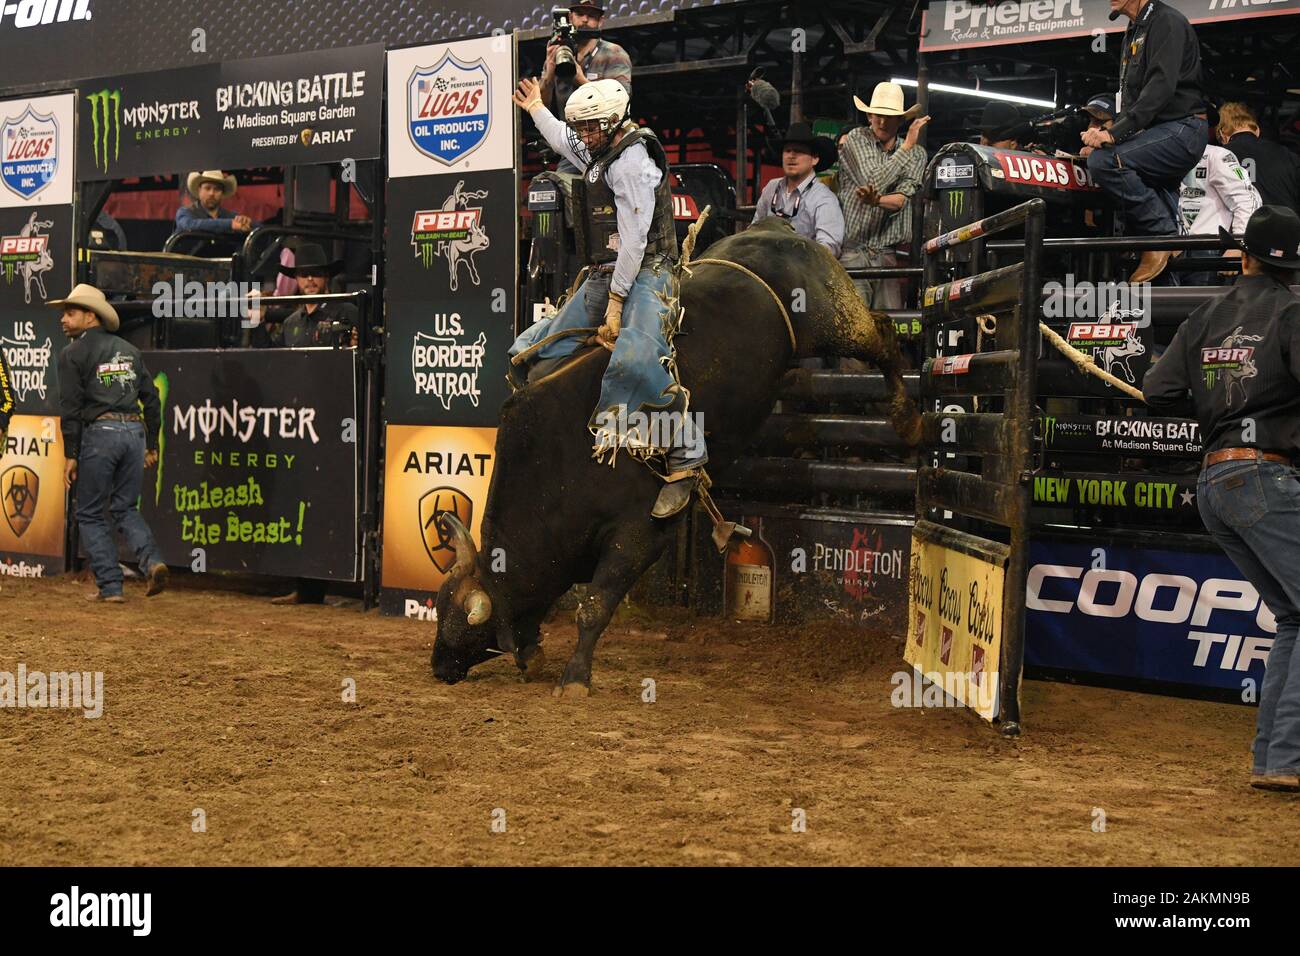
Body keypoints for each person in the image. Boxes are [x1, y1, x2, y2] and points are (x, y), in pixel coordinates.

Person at [1142, 205, 1300, 792]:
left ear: (1246, 255)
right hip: (1266, 478)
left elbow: (1158, 392)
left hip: (1215, 482)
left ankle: (1275, 761)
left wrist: (1221, 414)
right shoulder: (1293, 311)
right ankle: (1285, 758)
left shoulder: (1206, 313)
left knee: (1293, 617)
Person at [510, 76, 704, 519]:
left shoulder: (632, 161)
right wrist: (538, 107)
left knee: (637, 357)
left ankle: (686, 457)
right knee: (535, 349)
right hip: (607, 272)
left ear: (614, 121)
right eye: (582, 127)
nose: (583, 135)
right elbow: (564, 139)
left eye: (591, 128)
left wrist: (616, 303)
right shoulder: (598, 147)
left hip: (648, 270)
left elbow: (635, 241)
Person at [52, 284, 168, 603]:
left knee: (89, 512)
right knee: (125, 507)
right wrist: (151, 444)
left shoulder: (72, 354)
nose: (63, 319)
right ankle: (152, 561)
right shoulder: (129, 351)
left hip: (100, 433)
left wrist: (70, 454)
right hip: (133, 433)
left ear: (91, 317)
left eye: (70, 313)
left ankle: (111, 586)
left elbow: (71, 408)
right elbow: (152, 399)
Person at [1083, 0, 1207, 283]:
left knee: (1103, 162)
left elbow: (1160, 88)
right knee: (1108, 157)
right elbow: (1131, 95)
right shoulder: (1134, 28)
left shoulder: (1166, 22)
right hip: (1159, 132)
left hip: (1183, 129)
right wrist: (1105, 135)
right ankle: (1174, 260)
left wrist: (1113, 135)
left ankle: (1162, 235)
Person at [837, 81, 930, 310]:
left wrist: (876, 200)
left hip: (887, 254)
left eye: (889, 116)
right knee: (853, 326)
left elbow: (900, 200)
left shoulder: (917, 154)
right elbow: (874, 182)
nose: (882, 121)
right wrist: (906, 147)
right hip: (852, 250)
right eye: (878, 114)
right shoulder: (856, 139)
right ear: (869, 115)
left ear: (900, 120)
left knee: (891, 326)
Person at [539, 2, 633, 174]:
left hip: (609, 144)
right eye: (580, 14)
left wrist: (580, 79)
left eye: (591, 15)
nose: (585, 19)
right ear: (570, 17)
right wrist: (548, 76)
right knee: (556, 190)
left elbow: (622, 103)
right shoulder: (560, 55)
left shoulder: (614, 53)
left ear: (600, 21)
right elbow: (544, 106)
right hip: (573, 146)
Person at [751, 122, 844, 257]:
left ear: (814, 159)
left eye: (799, 151)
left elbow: (828, 248)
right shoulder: (772, 187)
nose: (791, 156)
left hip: (802, 271)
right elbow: (755, 229)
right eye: (787, 151)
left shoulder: (824, 198)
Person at [1178, 139, 1261, 285]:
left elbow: (1247, 199)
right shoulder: (1158, 156)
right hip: (1167, 250)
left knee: (1204, 306)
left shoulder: (1216, 155)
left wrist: (1238, 244)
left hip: (1206, 249)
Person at [1217, 102, 1300, 216]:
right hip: (1286, 229)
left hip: (1242, 231)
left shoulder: (1217, 157)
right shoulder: (1289, 156)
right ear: (1257, 130)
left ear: (1222, 134)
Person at [274, 244, 358, 349]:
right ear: (296, 278)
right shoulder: (290, 323)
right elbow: (269, 359)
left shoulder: (347, 311)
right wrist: (258, 320)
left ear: (326, 276)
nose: (310, 278)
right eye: (304, 274)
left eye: (315, 273)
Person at [171, 170, 253, 241]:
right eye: (207, 188)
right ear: (199, 190)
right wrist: (229, 224)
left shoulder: (230, 216)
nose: (211, 193)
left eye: (217, 189)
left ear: (222, 193)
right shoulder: (185, 212)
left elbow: (260, 228)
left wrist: (247, 223)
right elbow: (189, 225)